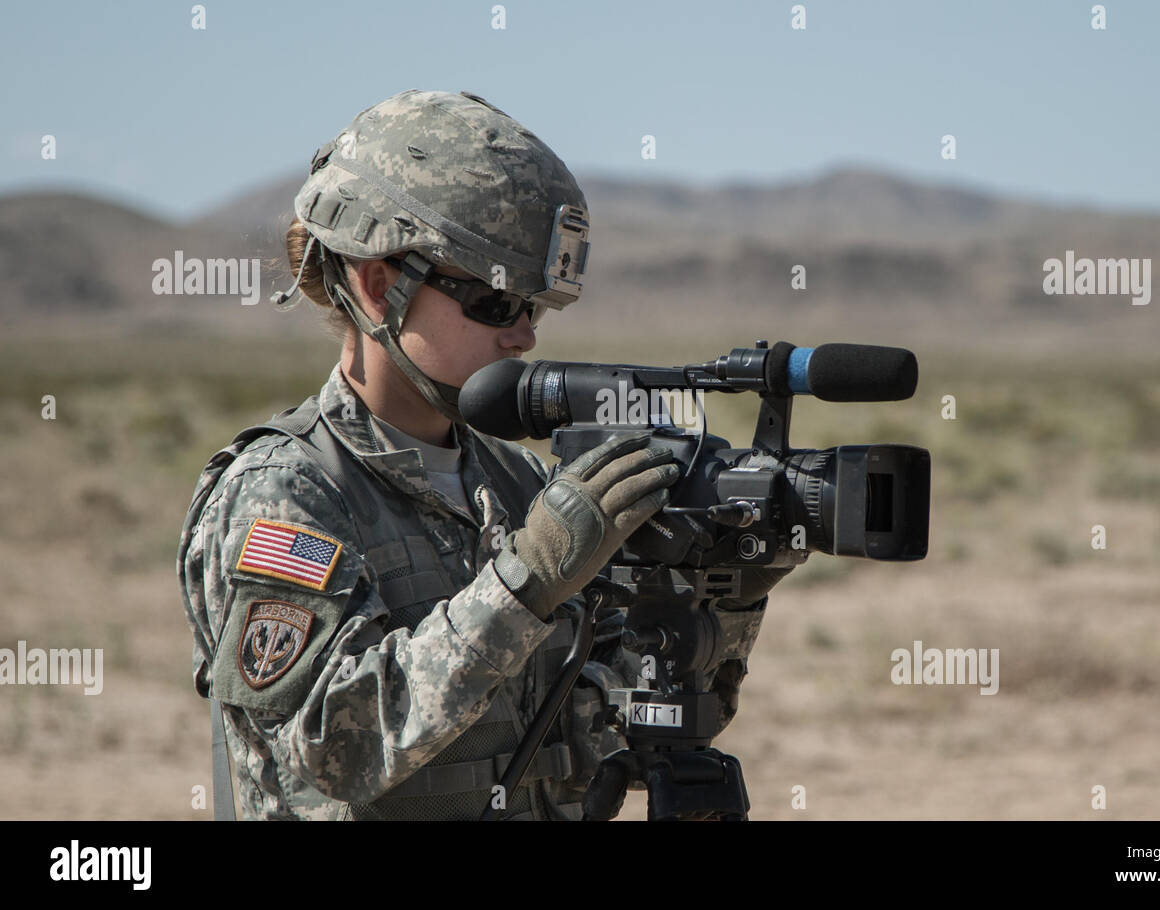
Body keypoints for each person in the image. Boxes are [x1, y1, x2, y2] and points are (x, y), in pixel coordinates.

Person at [177, 89, 778, 820]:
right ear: (379, 285)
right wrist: (525, 582)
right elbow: (328, 750)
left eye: (532, 308)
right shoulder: (285, 492)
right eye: (494, 304)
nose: (524, 336)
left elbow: (615, 726)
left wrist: (725, 597)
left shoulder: (521, 484)